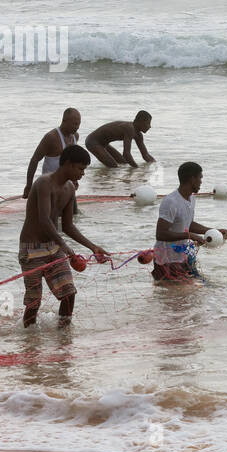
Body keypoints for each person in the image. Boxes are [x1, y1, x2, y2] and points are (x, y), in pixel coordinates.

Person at [17, 146, 109, 327]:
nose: (82, 174)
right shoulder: (44, 183)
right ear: (67, 164)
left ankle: (64, 335)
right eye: (80, 168)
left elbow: (67, 226)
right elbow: (44, 220)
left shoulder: (69, 189)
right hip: (31, 249)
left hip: (54, 246)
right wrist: (65, 247)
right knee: (34, 302)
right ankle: (29, 340)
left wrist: (93, 247)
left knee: (68, 294)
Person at [153, 161, 227, 282]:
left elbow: (188, 224)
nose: (201, 182)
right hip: (166, 260)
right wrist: (190, 236)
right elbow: (160, 234)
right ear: (192, 179)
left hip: (182, 256)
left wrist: (213, 231)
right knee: (176, 297)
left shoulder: (191, 198)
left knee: (198, 291)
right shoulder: (171, 202)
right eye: (200, 178)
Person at [23, 108, 82, 197]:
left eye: (79, 124)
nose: (77, 127)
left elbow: (72, 163)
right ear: (64, 121)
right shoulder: (51, 137)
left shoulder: (75, 136)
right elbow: (35, 160)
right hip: (49, 187)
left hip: (67, 187)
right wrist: (29, 186)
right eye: (75, 124)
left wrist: (75, 180)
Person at [85, 111, 155, 168]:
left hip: (104, 144)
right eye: (148, 123)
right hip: (93, 142)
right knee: (113, 166)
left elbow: (145, 155)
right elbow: (126, 154)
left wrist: (156, 165)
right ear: (141, 122)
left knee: (124, 163)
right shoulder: (129, 128)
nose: (150, 126)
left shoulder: (139, 135)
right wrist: (137, 169)